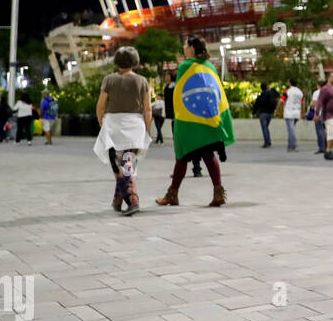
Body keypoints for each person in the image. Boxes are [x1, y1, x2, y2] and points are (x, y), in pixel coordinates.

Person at [155, 36, 235, 207]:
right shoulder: (210, 66)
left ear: (191, 48)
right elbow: (216, 91)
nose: (184, 47)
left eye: (185, 44)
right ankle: (218, 192)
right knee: (208, 155)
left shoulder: (185, 66)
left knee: (182, 155)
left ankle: (172, 195)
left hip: (190, 121)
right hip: (208, 119)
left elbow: (181, 92)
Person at [94, 46, 153, 215]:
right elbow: (148, 109)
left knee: (116, 165)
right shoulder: (142, 81)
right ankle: (117, 200)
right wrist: (147, 128)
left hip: (113, 125)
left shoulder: (109, 79)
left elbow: (100, 105)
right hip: (135, 124)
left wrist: (100, 121)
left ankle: (132, 199)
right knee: (129, 162)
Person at [281, 79, 303, 151]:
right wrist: (303, 112)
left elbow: (282, 100)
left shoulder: (288, 91)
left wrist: (279, 107)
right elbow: (303, 102)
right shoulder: (300, 92)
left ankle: (293, 145)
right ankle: (290, 146)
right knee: (291, 130)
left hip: (289, 113)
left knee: (291, 130)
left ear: (290, 83)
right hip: (297, 113)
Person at [254, 82, 277, 147]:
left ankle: (267, 142)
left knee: (264, 128)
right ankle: (268, 141)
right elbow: (277, 94)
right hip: (270, 113)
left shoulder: (261, 95)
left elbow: (256, 104)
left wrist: (254, 112)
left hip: (263, 113)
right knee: (266, 127)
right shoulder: (271, 94)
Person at [308, 82, 328, 155]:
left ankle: (322, 148)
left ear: (318, 85)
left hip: (318, 113)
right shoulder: (327, 92)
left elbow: (313, 103)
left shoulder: (316, 92)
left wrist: (310, 107)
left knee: (319, 131)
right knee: (324, 130)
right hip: (327, 113)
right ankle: (326, 146)